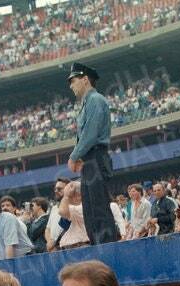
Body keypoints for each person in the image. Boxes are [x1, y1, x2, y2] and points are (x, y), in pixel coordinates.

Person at [66, 63, 119, 245]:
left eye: (73, 81)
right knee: (89, 208)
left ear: (85, 79)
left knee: (98, 207)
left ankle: (107, 246)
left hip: (96, 157)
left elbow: (90, 133)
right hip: (89, 159)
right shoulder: (88, 102)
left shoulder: (95, 100)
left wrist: (74, 156)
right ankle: (98, 245)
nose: (71, 86)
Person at [0, 195, 34, 261]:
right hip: (9, 260)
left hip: (26, 259)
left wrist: (8, 268)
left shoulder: (8, 218)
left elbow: (9, 247)